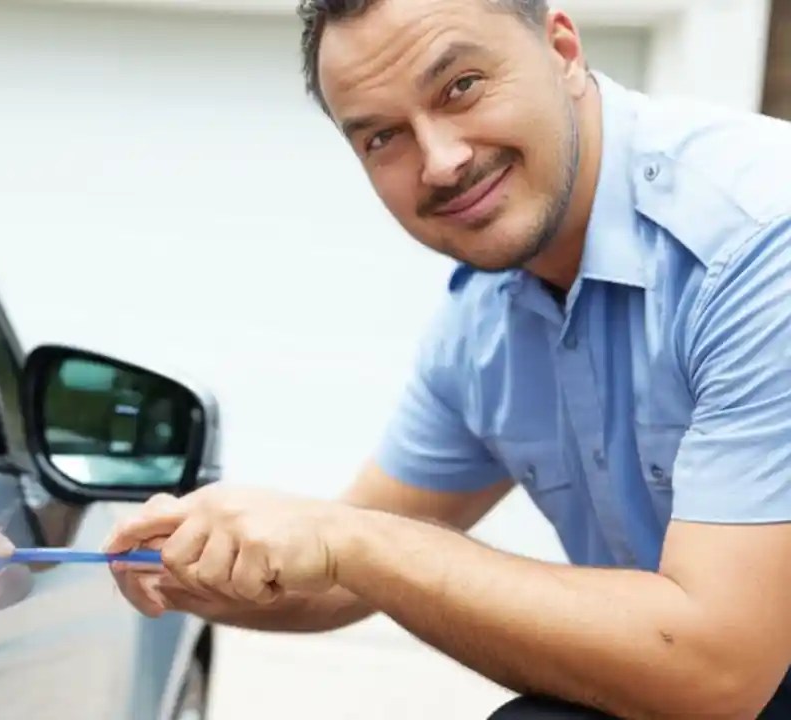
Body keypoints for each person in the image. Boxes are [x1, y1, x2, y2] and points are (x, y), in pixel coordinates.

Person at [103, 1, 791, 717]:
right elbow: (344, 573)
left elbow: (715, 673)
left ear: (562, 51)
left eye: (461, 86)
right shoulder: (485, 324)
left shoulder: (757, 238)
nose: (441, 162)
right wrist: (189, 564)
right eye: (382, 138)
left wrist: (346, 540)